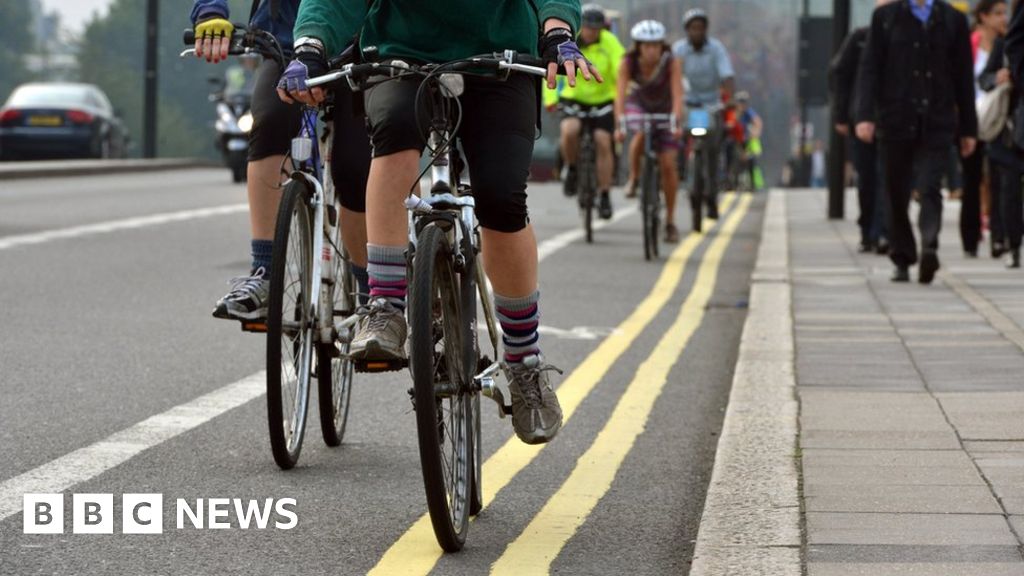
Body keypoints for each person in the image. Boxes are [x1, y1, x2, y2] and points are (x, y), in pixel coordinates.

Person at [278, 0, 600, 445]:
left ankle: (524, 360)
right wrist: (311, 47)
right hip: (402, 56)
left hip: (501, 59)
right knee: (394, 138)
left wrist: (558, 32)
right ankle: (386, 306)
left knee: (501, 198)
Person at [190, 0, 371, 321]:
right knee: (269, 123)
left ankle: (373, 292)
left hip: (363, 48)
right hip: (287, 45)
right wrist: (211, 12)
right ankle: (264, 273)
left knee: (356, 165)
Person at [855, 0, 978, 284]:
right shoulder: (886, 17)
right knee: (896, 191)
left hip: (937, 119)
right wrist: (864, 116)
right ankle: (902, 256)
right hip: (895, 118)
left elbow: (963, 77)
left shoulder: (952, 19)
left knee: (930, 185)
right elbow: (870, 69)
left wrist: (968, 129)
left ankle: (929, 244)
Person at [543, 4, 625, 219]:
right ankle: (571, 168)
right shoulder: (570, 41)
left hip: (603, 100)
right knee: (569, 130)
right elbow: (551, 69)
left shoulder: (610, 42)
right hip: (574, 98)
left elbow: (621, 70)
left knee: (603, 141)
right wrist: (551, 99)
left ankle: (605, 194)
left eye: (597, 28)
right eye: (588, 27)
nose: (592, 32)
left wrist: (622, 95)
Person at [830, 0, 892, 254]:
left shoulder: (906, 40)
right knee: (867, 179)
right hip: (862, 120)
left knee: (887, 177)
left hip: (893, 121)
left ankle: (884, 233)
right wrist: (842, 115)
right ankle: (868, 230)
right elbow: (839, 74)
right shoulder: (859, 39)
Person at [615, 20, 685, 243]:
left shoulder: (671, 62)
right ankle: (635, 177)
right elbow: (620, 95)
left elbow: (677, 94)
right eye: (647, 45)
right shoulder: (627, 62)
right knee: (641, 132)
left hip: (664, 108)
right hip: (639, 105)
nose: (652, 50)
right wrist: (619, 124)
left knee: (668, 164)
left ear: (662, 46)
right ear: (638, 47)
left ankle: (670, 221)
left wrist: (676, 121)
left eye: (656, 45)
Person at [672, 8, 735, 220]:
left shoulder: (716, 49)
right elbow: (672, 75)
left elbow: (727, 76)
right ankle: (681, 168)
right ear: (687, 30)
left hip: (711, 105)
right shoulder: (679, 50)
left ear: (706, 30)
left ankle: (712, 195)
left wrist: (729, 99)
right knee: (676, 137)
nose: (697, 32)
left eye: (700, 28)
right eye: (693, 28)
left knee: (713, 152)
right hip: (688, 104)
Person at [963, 0, 1009, 258]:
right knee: (972, 178)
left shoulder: (1007, 44)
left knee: (998, 176)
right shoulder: (969, 43)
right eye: (998, 13)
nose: (1003, 18)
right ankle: (971, 237)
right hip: (971, 118)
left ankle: (998, 235)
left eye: (1005, 13)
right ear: (983, 17)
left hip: (996, 118)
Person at [982, 0, 1023, 268]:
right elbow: (984, 78)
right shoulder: (1003, 45)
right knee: (1009, 186)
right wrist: (1003, 77)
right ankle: (1012, 243)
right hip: (1011, 123)